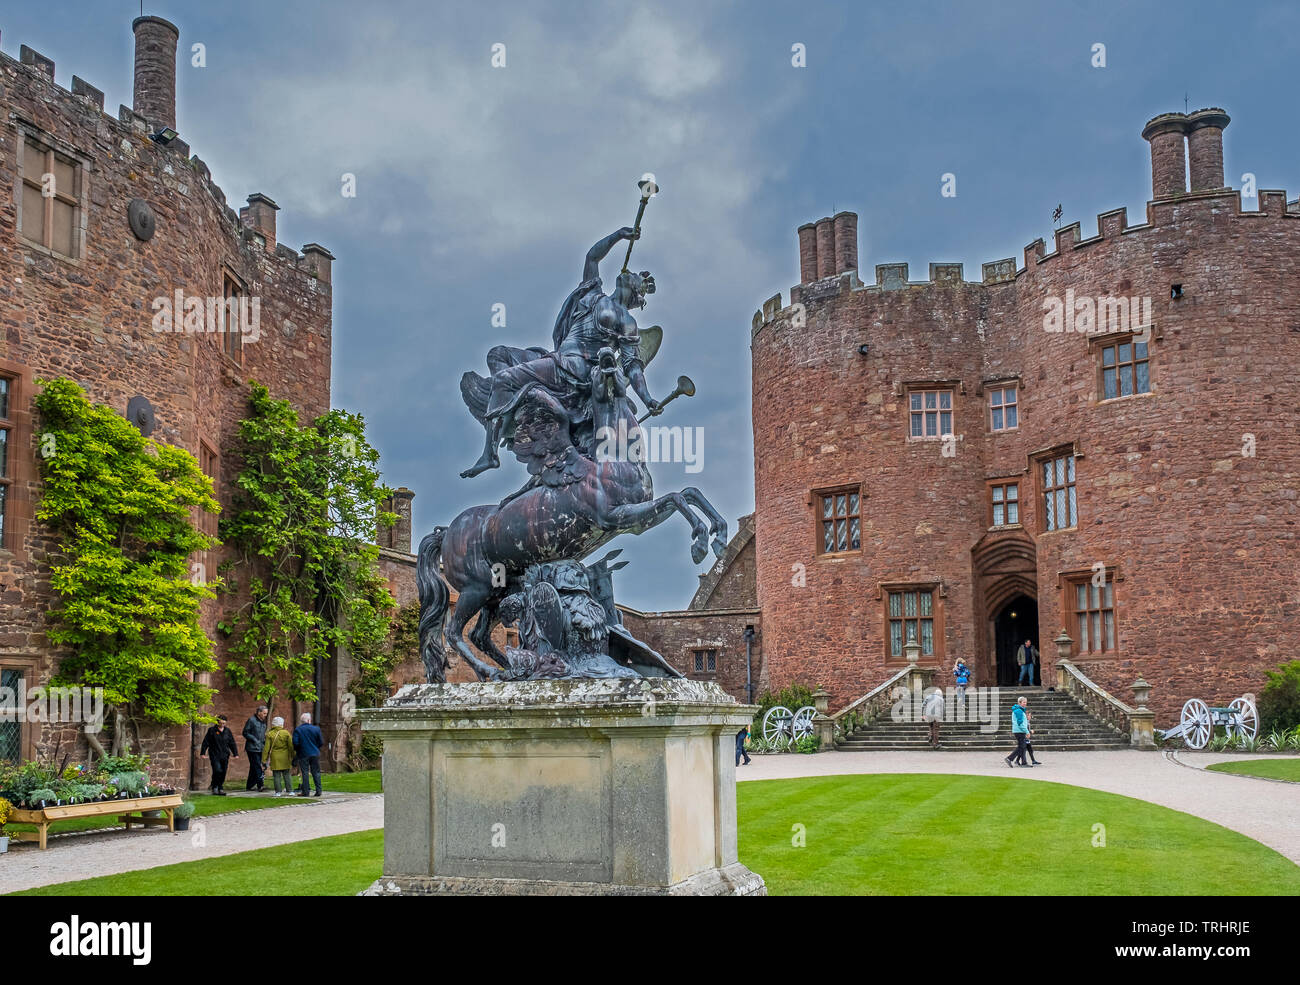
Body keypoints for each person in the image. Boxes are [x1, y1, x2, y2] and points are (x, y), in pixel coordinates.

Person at [200, 714, 238, 795]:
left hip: (225, 754)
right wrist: (203, 752)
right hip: (214, 754)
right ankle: (215, 787)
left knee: (223, 771)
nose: (222, 725)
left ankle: (220, 787)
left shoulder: (227, 731)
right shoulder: (211, 730)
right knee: (217, 770)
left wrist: (235, 753)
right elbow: (206, 742)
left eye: (224, 723)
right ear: (217, 722)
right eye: (221, 723)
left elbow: (232, 743)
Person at [293, 712, 325, 797]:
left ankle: (305, 792)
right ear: (309, 720)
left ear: (302, 721)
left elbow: (295, 743)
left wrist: (299, 749)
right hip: (315, 753)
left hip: (303, 754)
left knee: (305, 773)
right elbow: (321, 742)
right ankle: (319, 790)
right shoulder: (316, 729)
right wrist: (315, 747)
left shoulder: (298, 730)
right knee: (316, 772)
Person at [261, 716, 295, 796]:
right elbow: (291, 746)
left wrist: (264, 760)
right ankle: (290, 791)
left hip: (275, 756)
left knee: (276, 775)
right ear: (281, 724)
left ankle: (278, 792)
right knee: (287, 774)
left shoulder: (270, 734)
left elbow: (266, 748)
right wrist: (293, 755)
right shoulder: (286, 733)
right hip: (285, 756)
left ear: (273, 724)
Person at [242, 704, 268, 791]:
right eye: (264, 713)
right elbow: (245, 732)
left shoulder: (263, 722)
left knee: (254, 767)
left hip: (260, 747)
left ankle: (249, 785)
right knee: (257, 766)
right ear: (259, 712)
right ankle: (260, 785)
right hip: (252, 748)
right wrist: (254, 739)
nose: (265, 715)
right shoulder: (251, 720)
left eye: (266, 713)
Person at [1005, 696, 1030, 767]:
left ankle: (1024, 763)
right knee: (1021, 746)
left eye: (1026, 702)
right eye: (1024, 702)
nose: (1025, 703)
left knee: (1023, 746)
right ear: (1019, 703)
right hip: (1020, 731)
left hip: (1019, 731)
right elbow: (1020, 724)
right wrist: (1027, 731)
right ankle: (1009, 758)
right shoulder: (1019, 711)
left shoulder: (1020, 710)